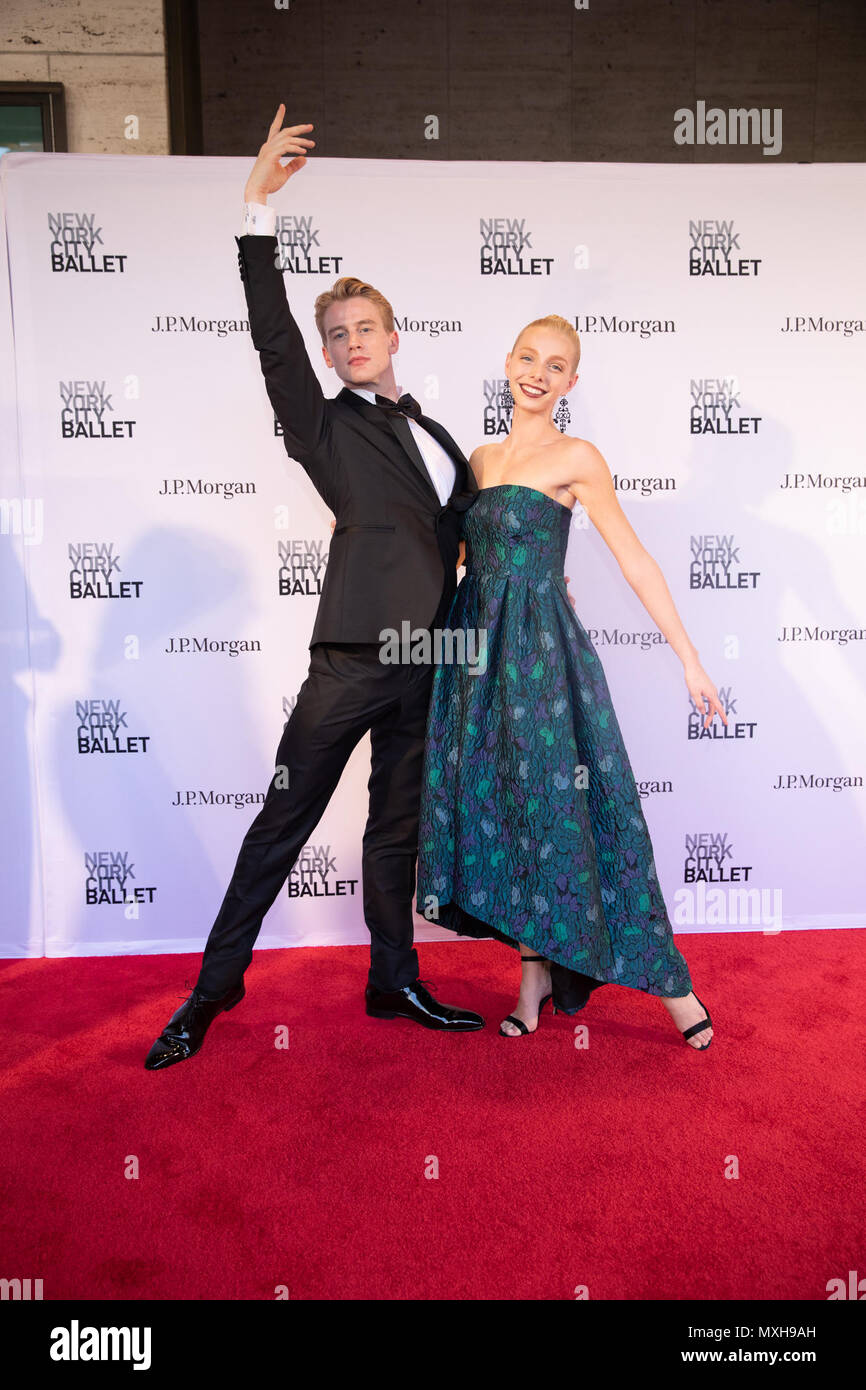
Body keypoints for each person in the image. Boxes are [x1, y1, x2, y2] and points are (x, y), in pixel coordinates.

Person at [145, 105, 487, 1069]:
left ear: (392, 333)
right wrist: (257, 211)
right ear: (330, 353)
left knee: (396, 833)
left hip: (430, 663)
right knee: (280, 824)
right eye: (337, 335)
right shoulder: (323, 428)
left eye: (363, 328)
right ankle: (210, 996)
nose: (350, 343)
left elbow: (462, 541)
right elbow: (272, 343)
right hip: (347, 662)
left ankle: (394, 979)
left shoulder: (437, 434)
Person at [415, 313, 723, 1048]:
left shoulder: (577, 455)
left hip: (542, 655)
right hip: (473, 658)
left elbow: (634, 558)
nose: (537, 373)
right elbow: (452, 556)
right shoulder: (480, 460)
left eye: (555, 366)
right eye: (528, 357)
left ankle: (672, 984)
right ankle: (532, 981)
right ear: (508, 361)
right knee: (505, 808)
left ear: (570, 382)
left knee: (573, 810)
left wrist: (689, 656)